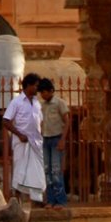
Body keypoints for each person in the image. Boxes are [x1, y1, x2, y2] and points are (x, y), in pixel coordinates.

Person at [1, 73, 45, 207]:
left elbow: (40, 121)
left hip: (36, 142)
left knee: (37, 170)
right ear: (28, 85)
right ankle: (16, 199)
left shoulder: (37, 103)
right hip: (22, 142)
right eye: (36, 86)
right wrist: (19, 134)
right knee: (21, 170)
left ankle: (37, 200)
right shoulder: (16, 102)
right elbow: (5, 121)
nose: (38, 88)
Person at [36, 78, 69, 209]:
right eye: (41, 93)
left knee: (56, 170)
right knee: (47, 171)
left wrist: (63, 139)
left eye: (44, 92)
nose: (43, 95)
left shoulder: (59, 103)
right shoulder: (42, 106)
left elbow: (67, 121)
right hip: (46, 139)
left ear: (51, 91)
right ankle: (50, 200)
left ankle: (60, 201)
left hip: (56, 138)